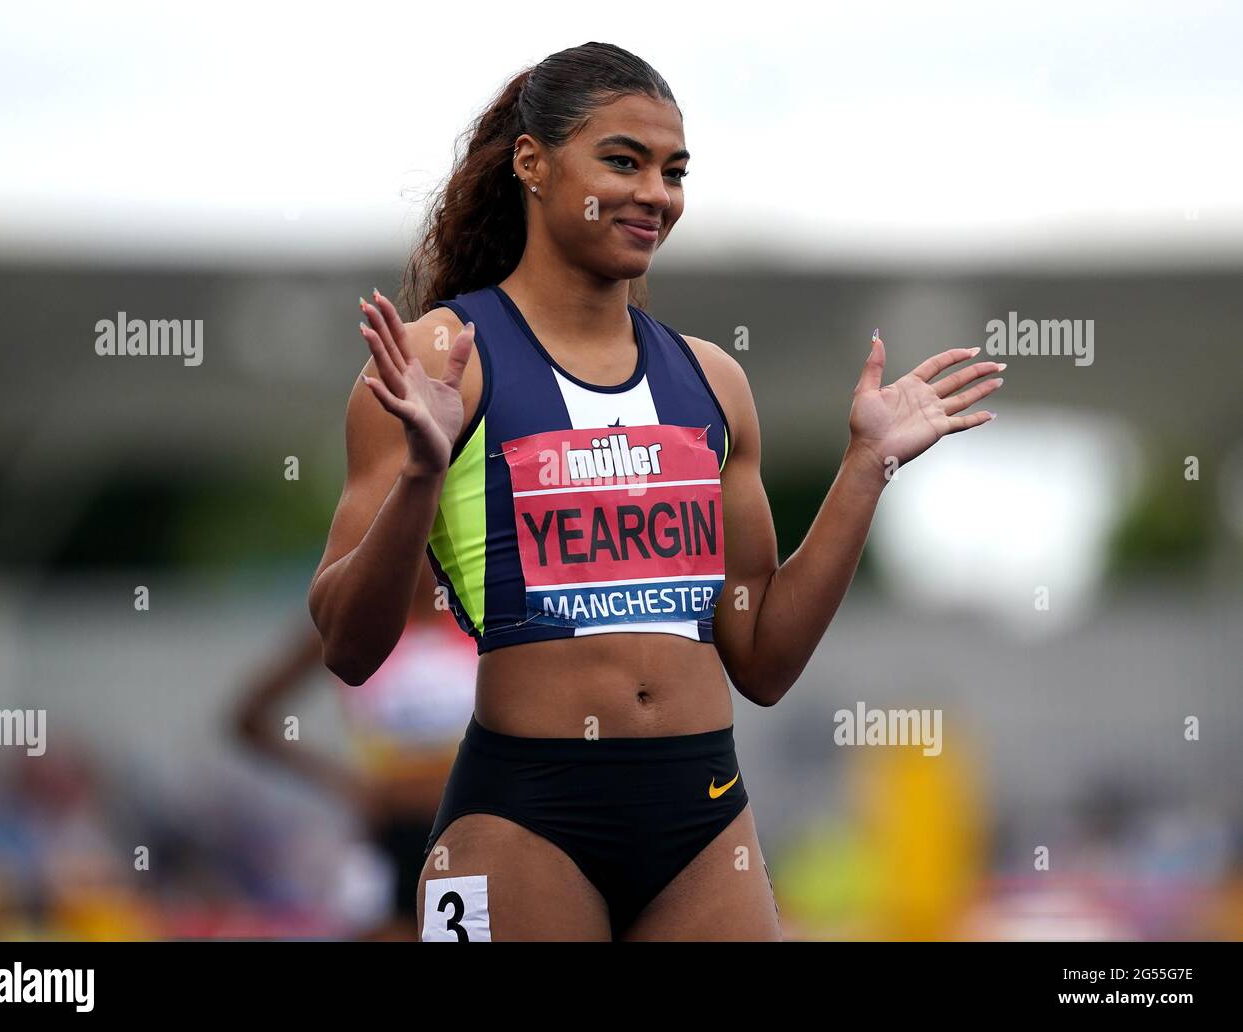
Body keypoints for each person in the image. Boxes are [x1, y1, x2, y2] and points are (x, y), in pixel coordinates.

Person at [308, 42, 1004, 941]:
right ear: (533, 164)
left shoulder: (711, 382)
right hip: (526, 817)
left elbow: (760, 660)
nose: (656, 194)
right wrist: (420, 473)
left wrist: (865, 469)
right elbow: (347, 646)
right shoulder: (441, 361)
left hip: (705, 816)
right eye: (623, 161)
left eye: (674, 171)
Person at [235, 563, 475, 940]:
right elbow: (249, 720)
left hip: (473, 827)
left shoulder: (482, 616)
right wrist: (344, 784)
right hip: (393, 832)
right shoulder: (356, 624)